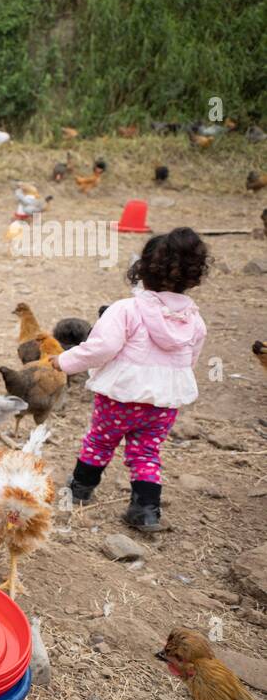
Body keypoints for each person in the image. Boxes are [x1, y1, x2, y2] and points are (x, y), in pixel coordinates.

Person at [53, 228, 209, 533]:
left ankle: (79, 490)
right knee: (146, 452)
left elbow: (102, 348)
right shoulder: (194, 320)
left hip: (120, 397)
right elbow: (190, 361)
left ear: (142, 269)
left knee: (99, 441)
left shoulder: (125, 310)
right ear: (193, 276)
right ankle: (146, 511)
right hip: (163, 403)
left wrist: (63, 362)